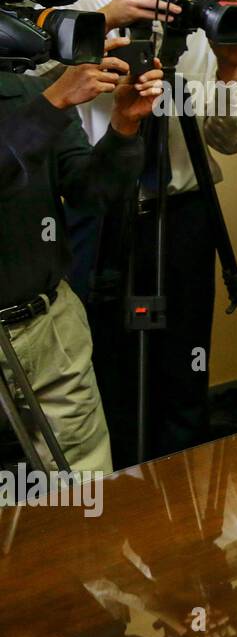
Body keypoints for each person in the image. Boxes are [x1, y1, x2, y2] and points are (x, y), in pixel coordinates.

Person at [61, 0, 237, 467]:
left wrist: (227, 68)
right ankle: (120, 502)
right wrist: (112, 20)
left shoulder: (197, 23)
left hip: (185, 218)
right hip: (105, 222)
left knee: (185, 363)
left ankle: (181, 491)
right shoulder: (83, 15)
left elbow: (229, 140)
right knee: (109, 369)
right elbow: (35, 101)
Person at [0, 43, 161, 474]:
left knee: (85, 486)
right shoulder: (47, 98)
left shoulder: (27, 91)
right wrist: (53, 102)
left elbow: (92, 193)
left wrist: (124, 126)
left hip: (48, 324)